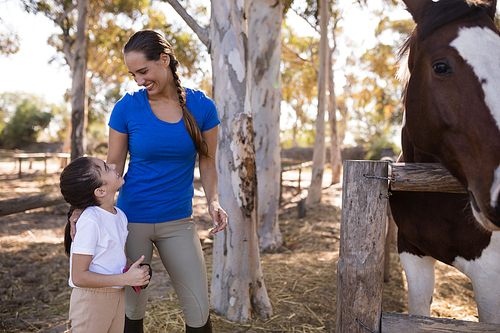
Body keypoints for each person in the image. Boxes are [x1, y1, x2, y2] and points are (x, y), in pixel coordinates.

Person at [72, 30, 228, 333]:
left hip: (178, 222)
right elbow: (112, 165)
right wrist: (83, 206)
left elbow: (207, 161)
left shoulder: (202, 107)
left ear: (165, 60)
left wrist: (214, 201)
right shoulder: (127, 107)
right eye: (133, 74)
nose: (139, 80)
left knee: (198, 309)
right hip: (130, 224)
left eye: (143, 71)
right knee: (132, 310)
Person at [60, 156, 151, 333]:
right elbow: (78, 276)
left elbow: (118, 258)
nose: (113, 165)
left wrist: (135, 270)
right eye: (105, 168)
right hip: (91, 301)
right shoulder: (90, 220)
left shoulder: (120, 216)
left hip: (117, 296)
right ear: (100, 191)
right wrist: (125, 279)